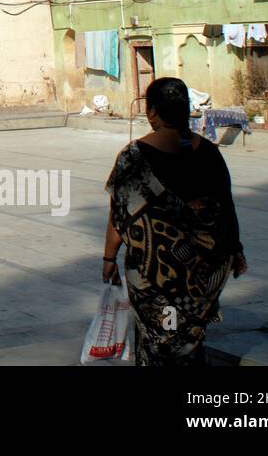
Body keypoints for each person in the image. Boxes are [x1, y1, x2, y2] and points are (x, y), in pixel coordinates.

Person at [103, 76, 247, 365]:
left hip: (151, 274)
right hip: (201, 276)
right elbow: (226, 207)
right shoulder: (207, 152)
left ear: (152, 111)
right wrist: (236, 250)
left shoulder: (133, 157)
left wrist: (109, 259)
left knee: (156, 344)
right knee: (190, 340)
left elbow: (119, 215)